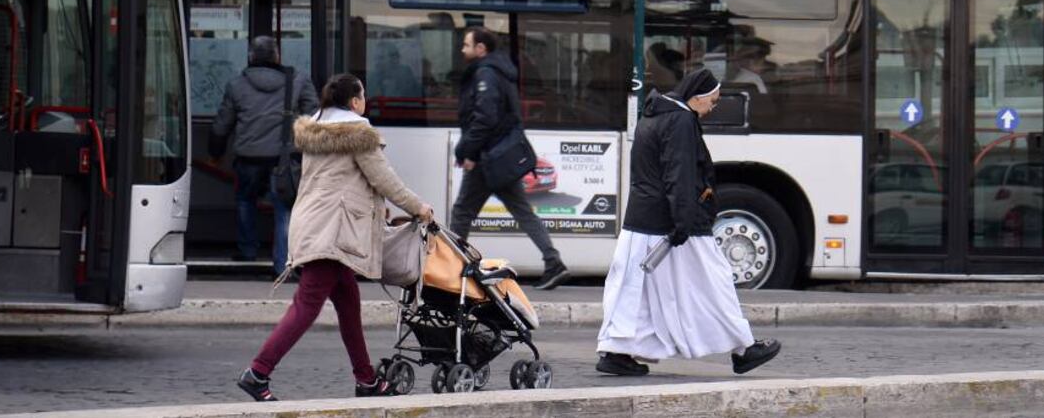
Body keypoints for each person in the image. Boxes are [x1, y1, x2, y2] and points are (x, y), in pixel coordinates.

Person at [236, 73, 434, 401]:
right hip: (332, 232)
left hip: (318, 224)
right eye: (363, 96)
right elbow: (385, 180)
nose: (365, 101)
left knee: (348, 304)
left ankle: (366, 379)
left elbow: (345, 181)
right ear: (355, 101)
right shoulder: (357, 133)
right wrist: (419, 207)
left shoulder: (318, 129)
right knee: (306, 306)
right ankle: (258, 372)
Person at [596, 67, 781, 377]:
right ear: (697, 98)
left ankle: (616, 351)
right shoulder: (681, 121)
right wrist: (683, 221)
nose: (712, 109)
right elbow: (680, 174)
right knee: (714, 282)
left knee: (633, 289)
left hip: (645, 221)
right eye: (713, 102)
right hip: (676, 221)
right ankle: (743, 349)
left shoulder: (655, 115)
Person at [450, 27, 571, 291]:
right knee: (522, 211)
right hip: (501, 157)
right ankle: (554, 262)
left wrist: (467, 151)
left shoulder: (486, 74)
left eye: (466, 45)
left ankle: (451, 266)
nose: (462, 50)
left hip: (486, 158)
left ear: (481, 49)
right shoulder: (499, 71)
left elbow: (484, 118)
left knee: (462, 212)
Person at [209, 36, 319, 275]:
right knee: (285, 209)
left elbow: (221, 126)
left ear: (250, 57)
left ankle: (248, 250)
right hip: (284, 159)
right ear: (277, 56)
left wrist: (215, 152)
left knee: (245, 201)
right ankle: (282, 265)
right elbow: (314, 116)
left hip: (247, 157)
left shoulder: (236, 84)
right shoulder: (298, 80)